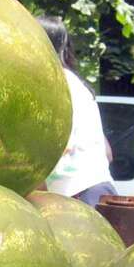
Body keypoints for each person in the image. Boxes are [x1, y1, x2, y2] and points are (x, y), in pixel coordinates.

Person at [38, 16, 117, 207]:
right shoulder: (77, 84)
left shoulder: (52, 83)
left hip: (77, 196)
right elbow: (107, 153)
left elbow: (60, 146)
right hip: (101, 190)